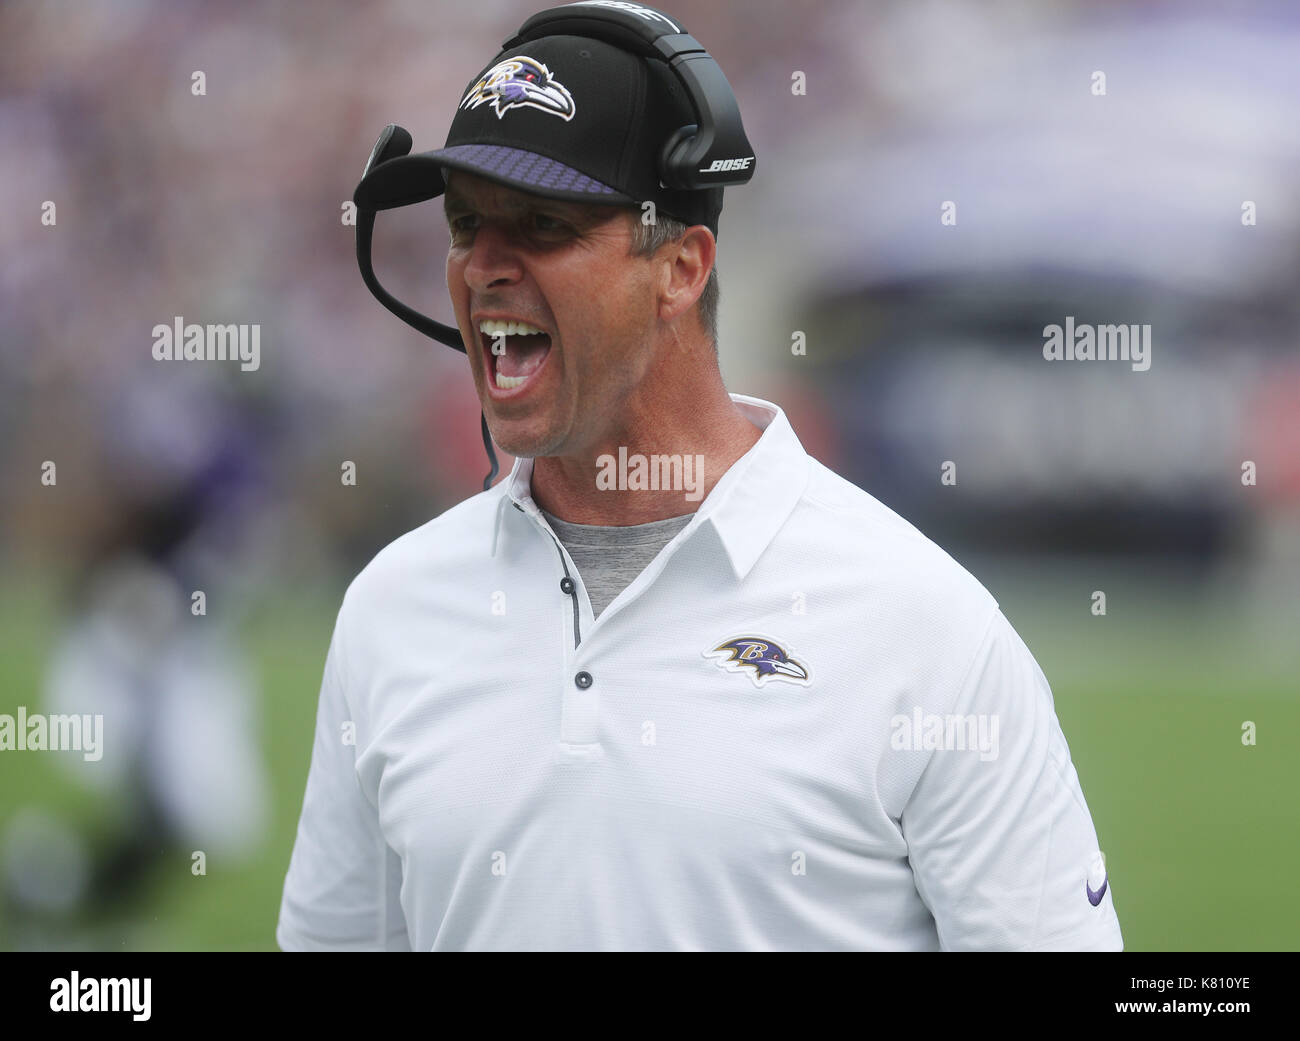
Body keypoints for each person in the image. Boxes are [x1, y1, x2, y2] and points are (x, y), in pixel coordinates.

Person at [277, 4, 1122, 951]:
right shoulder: (393, 608)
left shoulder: (924, 627)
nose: (482, 267)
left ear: (681, 267)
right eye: (466, 224)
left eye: (543, 226)